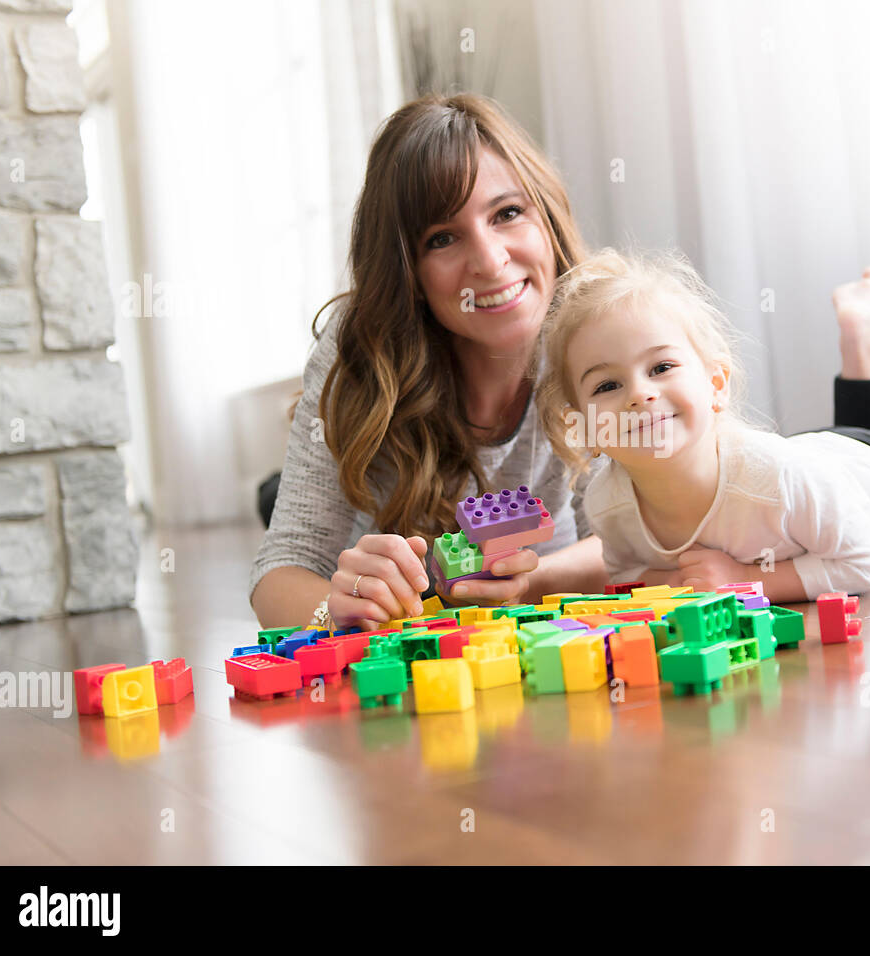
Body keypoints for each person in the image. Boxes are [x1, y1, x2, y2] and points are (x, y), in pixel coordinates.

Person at [249, 94, 611, 630]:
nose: (490, 261)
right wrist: (332, 611)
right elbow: (281, 573)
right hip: (379, 530)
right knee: (286, 496)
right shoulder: (357, 350)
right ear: (408, 274)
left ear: (547, 219)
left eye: (507, 213)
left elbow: (631, 540)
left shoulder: (600, 329)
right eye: (442, 238)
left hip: (537, 573)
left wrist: (532, 582)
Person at [537, 249, 870, 599]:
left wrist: (745, 583)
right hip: (827, 469)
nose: (640, 395)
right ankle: (859, 343)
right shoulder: (608, 501)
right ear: (582, 425)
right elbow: (628, 578)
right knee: (845, 469)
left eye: (661, 367)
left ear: (716, 386)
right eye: (607, 385)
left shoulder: (773, 480)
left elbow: (865, 556)